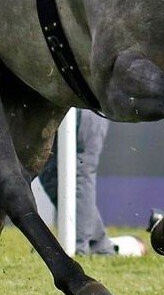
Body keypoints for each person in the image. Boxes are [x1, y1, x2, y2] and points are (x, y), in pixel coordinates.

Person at [38, 110, 145, 257]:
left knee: (78, 175)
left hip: (85, 107)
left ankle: (78, 247)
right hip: (63, 108)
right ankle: (100, 245)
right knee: (50, 172)